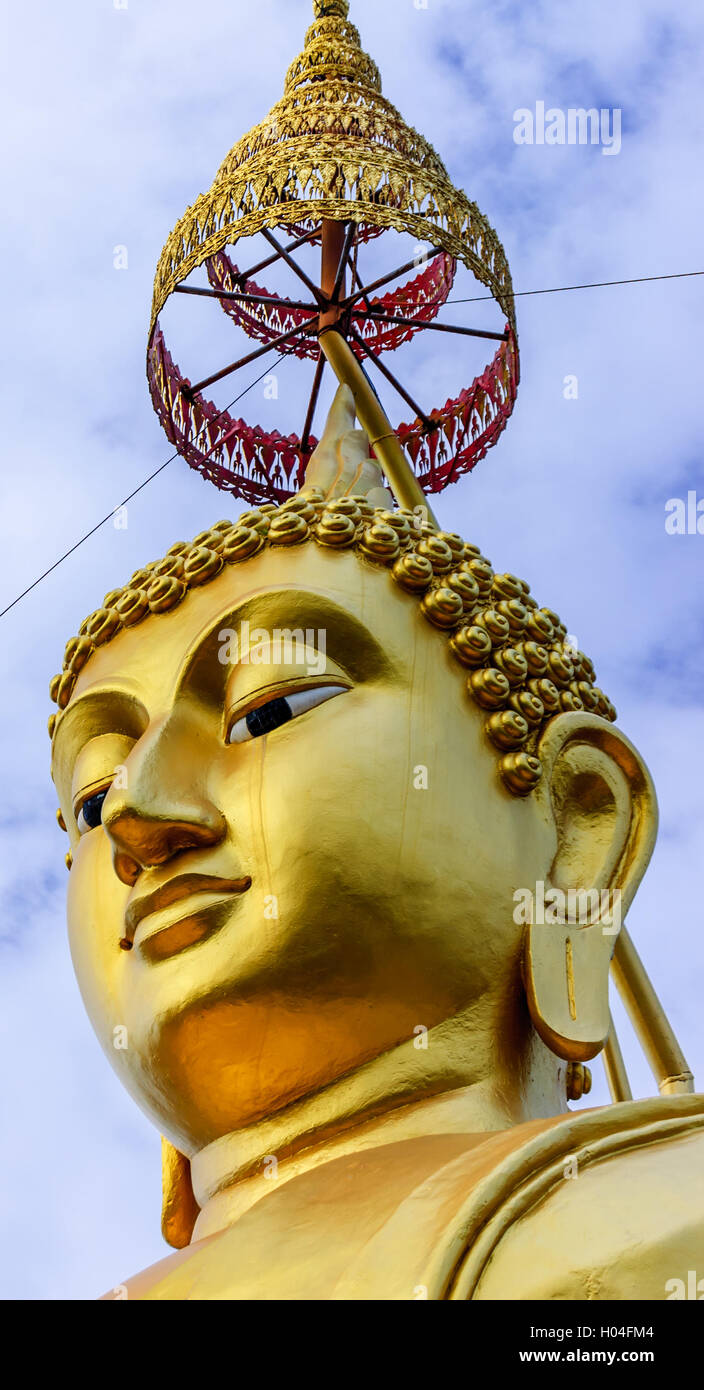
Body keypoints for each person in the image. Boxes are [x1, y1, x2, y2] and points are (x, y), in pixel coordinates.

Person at [48, 388, 704, 1300]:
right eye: (88, 797)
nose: (134, 814)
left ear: (577, 831)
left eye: (269, 709)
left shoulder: (664, 1218)